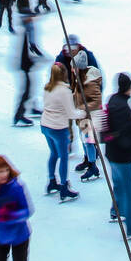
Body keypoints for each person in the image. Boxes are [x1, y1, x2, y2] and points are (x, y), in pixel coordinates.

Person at [102, 74, 131, 239]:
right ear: (128, 88)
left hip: (112, 153)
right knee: (130, 189)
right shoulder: (122, 108)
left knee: (118, 184)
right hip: (122, 156)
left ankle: (116, 210)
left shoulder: (113, 100)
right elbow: (123, 134)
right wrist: (129, 148)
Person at [39, 63, 83, 201]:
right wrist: (83, 113)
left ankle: (52, 181)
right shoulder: (64, 91)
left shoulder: (47, 87)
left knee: (53, 153)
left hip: (45, 125)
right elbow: (71, 113)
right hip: (58, 128)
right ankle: (64, 187)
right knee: (63, 156)